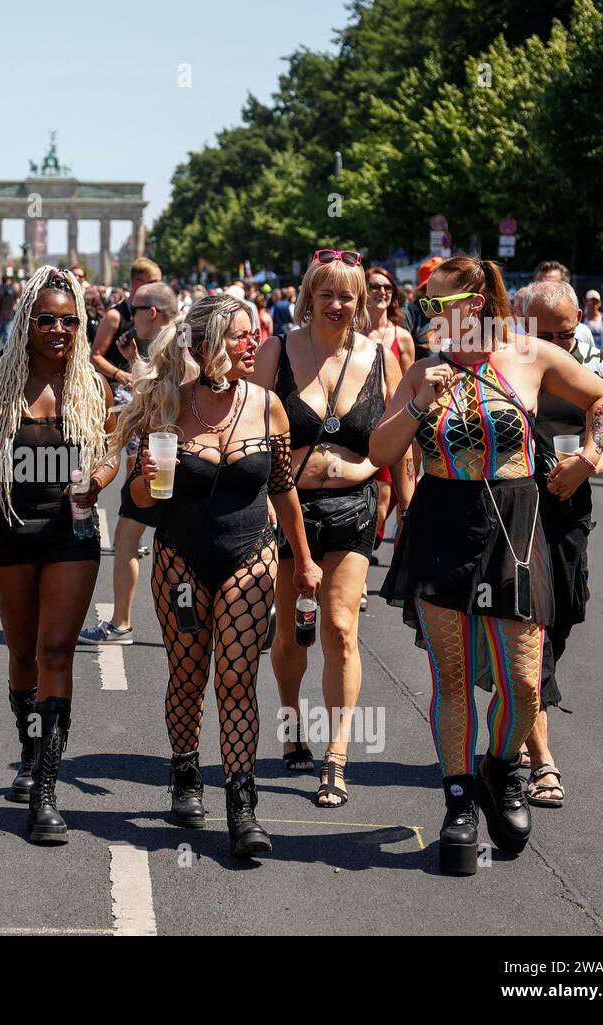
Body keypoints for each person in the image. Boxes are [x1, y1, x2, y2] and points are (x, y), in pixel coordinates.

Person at [372, 256, 603, 875]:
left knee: (525, 681)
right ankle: (458, 800)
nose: (429, 317)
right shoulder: (426, 369)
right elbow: (379, 448)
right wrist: (416, 406)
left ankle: (501, 766)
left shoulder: (529, 354)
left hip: (515, 525)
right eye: (424, 306)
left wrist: (588, 456)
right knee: (451, 678)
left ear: (478, 305)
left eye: (442, 307)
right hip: (442, 524)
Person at [115, 293, 321, 855]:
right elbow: (138, 496)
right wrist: (150, 476)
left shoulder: (268, 406)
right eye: (238, 335)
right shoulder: (167, 405)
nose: (251, 343)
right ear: (206, 346)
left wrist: (304, 561)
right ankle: (185, 773)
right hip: (180, 555)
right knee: (187, 676)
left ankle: (242, 803)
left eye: (253, 333)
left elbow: (284, 489)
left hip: (250, 552)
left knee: (234, 679)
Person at [0, 266, 115, 844]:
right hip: (8, 532)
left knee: (55, 650)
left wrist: (97, 480)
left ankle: (46, 788)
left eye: (69, 321)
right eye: (45, 319)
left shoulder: (92, 386)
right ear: (25, 323)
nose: (57, 330)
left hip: (71, 534)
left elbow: (112, 449)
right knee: (22, 653)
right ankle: (30, 748)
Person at [252, 250, 410, 807]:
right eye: (328, 294)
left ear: (361, 301)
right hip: (285, 510)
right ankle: (292, 723)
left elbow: (400, 437)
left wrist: (405, 501)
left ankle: (336, 756)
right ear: (309, 297)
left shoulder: (381, 357)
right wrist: (259, 499)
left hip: (354, 508)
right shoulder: (277, 351)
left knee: (341, 628)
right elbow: (248, 426)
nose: (338, 304)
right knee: (293, 631)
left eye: (348, 295)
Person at [520, 280, 603, 809]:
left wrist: (588, 463)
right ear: (520, 326)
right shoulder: (499, 361)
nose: (559, 345)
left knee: (558, 620)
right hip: (508, 512)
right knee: (527, 629)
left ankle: (517, 723)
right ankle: (543, 760)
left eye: (566, 333)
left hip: (567, 514)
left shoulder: (595, 362)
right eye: (546, 335)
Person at [81, 282, 176, 645]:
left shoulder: (169, 345)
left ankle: (120, 623)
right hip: (169, 455)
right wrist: (135, 359)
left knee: (126, 538)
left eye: (133, 311)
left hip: (160, 456)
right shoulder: (178, 341)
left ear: (151, 313)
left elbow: (154, 398)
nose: (129, 318)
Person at [364, 265, 417, 559]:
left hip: (392, 425)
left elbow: (411, 385)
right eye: (374, 286)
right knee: (365, 495)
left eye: (387, 287)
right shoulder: (352, 334)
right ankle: (357, 571)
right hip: (358, 427)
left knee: (384, 500)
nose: (382, 292)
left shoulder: (402, 337)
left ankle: (368, 541)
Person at [91, 258, 163, 407]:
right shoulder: (115, 316)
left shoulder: (158, 313)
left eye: (160, 282)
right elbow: (95, 356)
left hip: (150, 394)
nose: (159, 287)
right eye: (154, 282)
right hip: (120, 397)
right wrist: (121, 375)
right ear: (137, 282)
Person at [0, 275, 20, 365]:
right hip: (9, 318)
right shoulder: (12, 290)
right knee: (7, 341)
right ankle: (8, 361)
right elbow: (16, 304)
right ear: (8, 280)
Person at [582, 289, 603, 356]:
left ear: (600, 303)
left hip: (601, 360)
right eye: (590, 301)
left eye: (595, 301)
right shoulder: (581, 320)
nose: (593, 304)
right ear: (585, 302)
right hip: (585, 360)